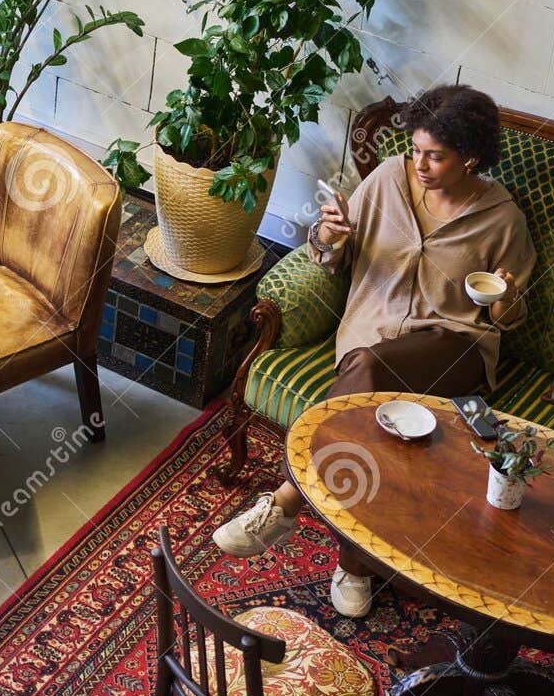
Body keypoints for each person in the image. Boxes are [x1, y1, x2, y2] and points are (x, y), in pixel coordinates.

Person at [212, 85, 536, 617]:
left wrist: (507, 295)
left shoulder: (502, 220)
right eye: (416, 149)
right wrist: (328, 234)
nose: (420, 164)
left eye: (436, 156)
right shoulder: (387, 179)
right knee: (376, 419)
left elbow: (508, 318)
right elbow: (328, 257)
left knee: (369, 370)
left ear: (471, 158)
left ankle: (287, 501)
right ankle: (356, 567)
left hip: (453, 349)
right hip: (369, 339)